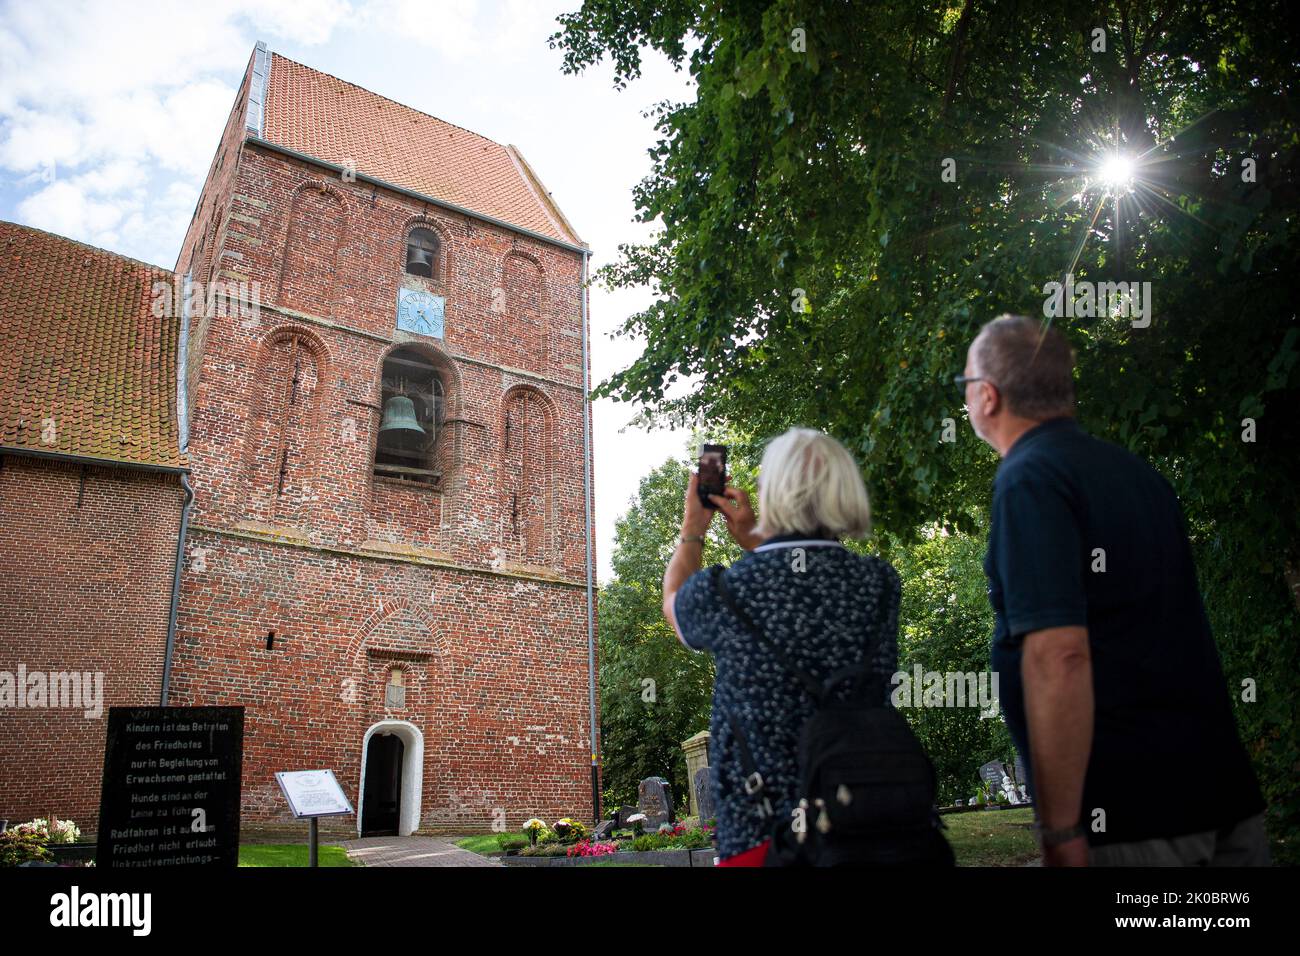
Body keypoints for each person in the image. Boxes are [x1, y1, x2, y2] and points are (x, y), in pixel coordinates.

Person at [961, 314, 1268, 866]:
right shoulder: (1138, 474)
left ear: (987, 395)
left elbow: (1059, 654)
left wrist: (1060, 829)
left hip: (1133, 816)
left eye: (964, 386)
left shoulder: (1029, 479)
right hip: (1224, 795)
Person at [662, 428, 901, 866]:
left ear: (773, 494)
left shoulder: (732, 590)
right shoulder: (880, 586)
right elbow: (809, 585)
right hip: (871, 826)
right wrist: (759, 541)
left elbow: (676, 606)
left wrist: (693, 529)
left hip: (763, 835)